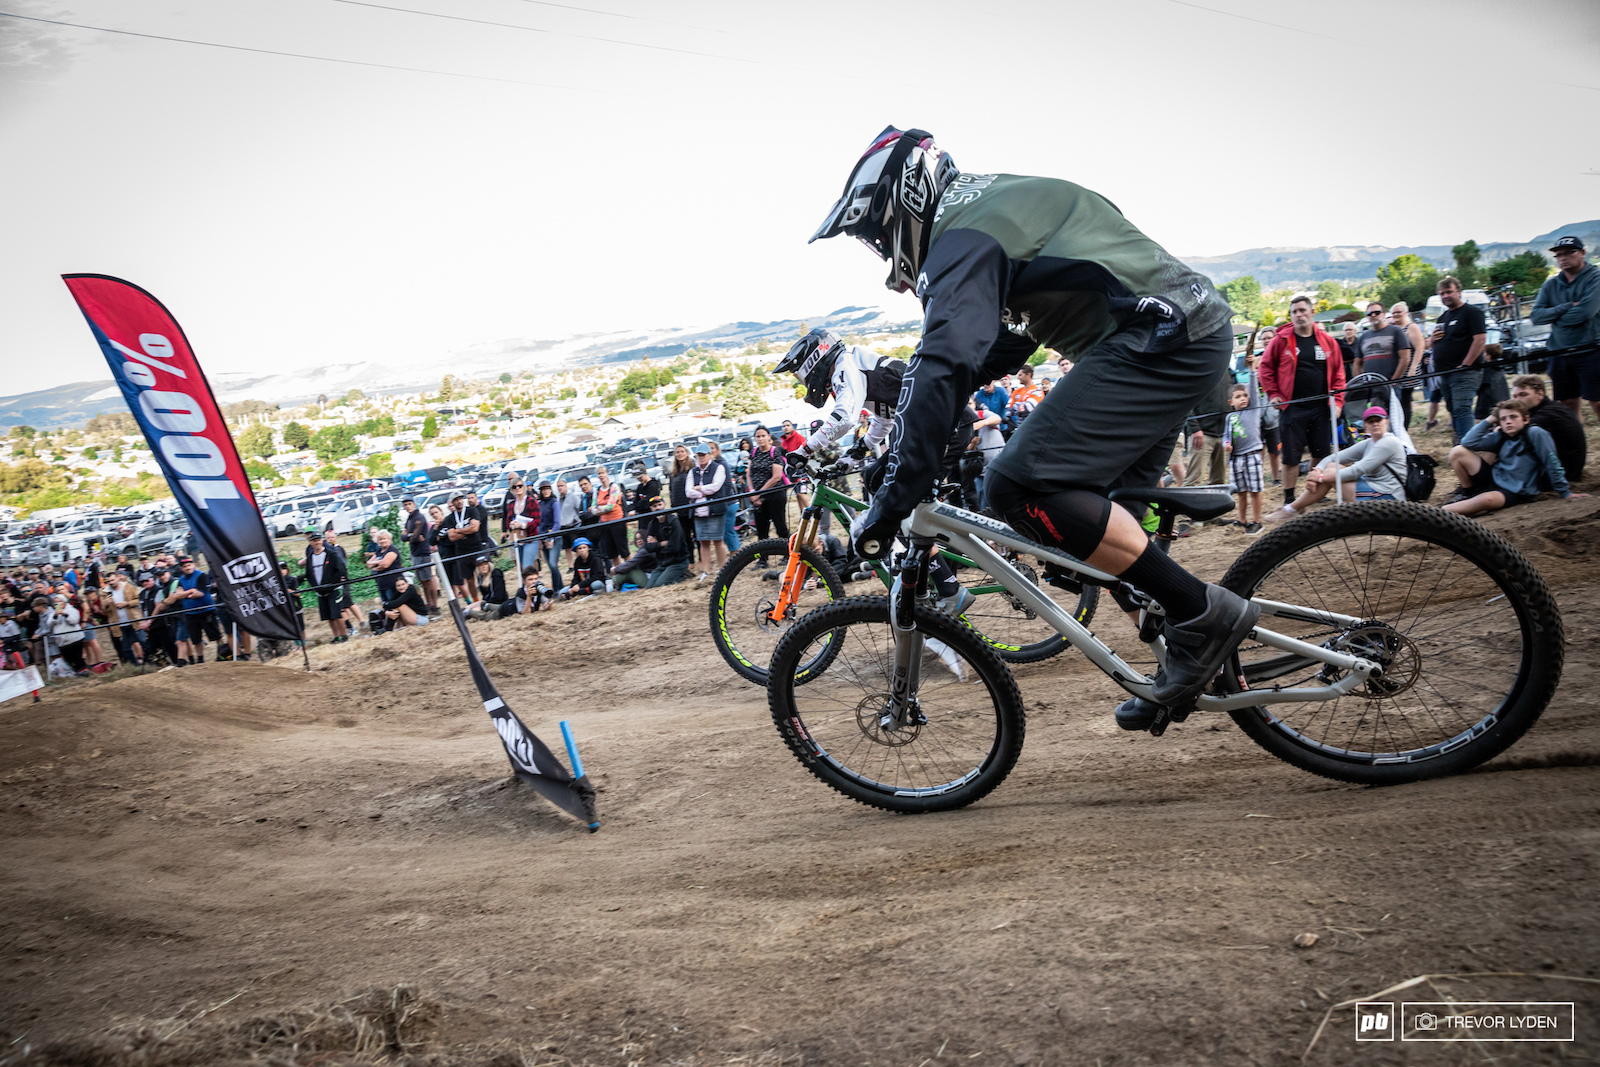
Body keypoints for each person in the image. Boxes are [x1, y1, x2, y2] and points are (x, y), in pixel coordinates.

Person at [809, 125, 1249, 732]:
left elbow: (945, 363)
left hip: (1160, 340)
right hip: (1177, 334)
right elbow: (998, 347)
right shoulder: (989, 207)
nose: (882, 250)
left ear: (904, 200)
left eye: (876, 235)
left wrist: (894, 496)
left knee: (1015, 485)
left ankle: (1204, 616)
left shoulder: (960, 236)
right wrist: (919, 432)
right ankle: (1186, 653)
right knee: (1094, 536)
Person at [1261, 295, 1347, 505]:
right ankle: (1289, 500)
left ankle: (1313, 493)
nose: (1298, 315)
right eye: (1294, 312)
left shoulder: (1327, 341)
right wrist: (1273, 393)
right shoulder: (1281, 341)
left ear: (1312, 312)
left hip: (1321, 407)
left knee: (1321, 453)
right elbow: (1265, 368)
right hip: (1292, 407)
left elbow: (1339, 374)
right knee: (1291, 457)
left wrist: (1337, 402)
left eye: (1302, 310)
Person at [1444, 400, 1588, 516]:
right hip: (1494, 479)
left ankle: (1441, 513)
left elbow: (1551, 462)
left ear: (1526, 419)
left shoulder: (1535, 433)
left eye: (1513, 417)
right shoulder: (1500, 436)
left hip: (1517, 491)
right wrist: (1489, 420)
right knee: (1457, 451)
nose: (1508, 422)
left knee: (1487, 500)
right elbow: (1468, 442)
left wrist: (1565, 492)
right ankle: (1468, 493)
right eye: (1503, 419)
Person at [1265, 406, 1408, 522]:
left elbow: (1357, 470)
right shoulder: (1370, 442)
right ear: (1365, 426)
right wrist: (1317, 471)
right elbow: (1334, 457)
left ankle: (1291, 509)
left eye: (1379, 420)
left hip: (1389, 497)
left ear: (1386, 422)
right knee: (1331, 467)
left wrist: (1320, 478)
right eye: (1371, 421)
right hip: (1375, 489)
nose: (1375, 424)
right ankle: (1294, 508)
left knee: (1330, 473)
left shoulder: (1388, 442)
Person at [1530, 235, 1600, 421]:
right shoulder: (1551, 284)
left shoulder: (1595, 278)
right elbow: (1536, 316)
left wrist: (1555, 317)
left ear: (1582, 253)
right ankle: (1576, 439)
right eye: (1559, 255)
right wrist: (1566, 307)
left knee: (1598, 402)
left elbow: (1585, 312)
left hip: (1592, 349)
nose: (1563, 258)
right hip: (1560, 352)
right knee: (1567, 405)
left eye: (1569, 253)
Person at [1429, 276, 1489, 443]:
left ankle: (1468, 445)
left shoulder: (1472, 312)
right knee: (1453, 409)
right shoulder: (1443, 317)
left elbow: (1480, 339)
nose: (1445, 296)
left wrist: (1465, 364)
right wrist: (1432, 340)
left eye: (1449, 292)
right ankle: (1460, 443)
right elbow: (1437, 343)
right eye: (1442, 293)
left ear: (1459, 292)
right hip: (1445, 372)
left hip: (1465, 372)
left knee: (1462, 408)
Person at [1510, 375, 1586, 482]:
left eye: (1523, 394)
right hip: (1565, 470)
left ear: (1540, 394)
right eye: (1515, 396)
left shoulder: (1547, 415)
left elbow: (1512, 431)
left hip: (1560, 474)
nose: (1517, 400)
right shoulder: (1552, 408)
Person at [1351, 298, 1415, 425]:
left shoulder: (1395, 331)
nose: (1373, 315)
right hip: (1371, 388)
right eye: (1370, 313)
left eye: (1377, 312)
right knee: (1376, 421)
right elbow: (1357, 362)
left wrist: (1394, 380)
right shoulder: (1363, 336)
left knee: (1394, 421)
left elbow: (1405, 358)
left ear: (1384, 314)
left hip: (1392, 386)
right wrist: (1361, 383)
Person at [687, 441, 732, 579]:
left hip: (715, 509)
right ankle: (706, 571)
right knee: (703, 541)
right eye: (699, 455)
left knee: (718, 540)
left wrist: (699, 488)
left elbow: (716, 487)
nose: (701, 458)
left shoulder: (718, 468)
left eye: (703, 455)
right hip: (698, 511)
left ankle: (723, 569)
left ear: (709, 455)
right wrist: (705, 491)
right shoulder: (692, 471)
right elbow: (688, 491)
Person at [1223, 382, 1264, 532]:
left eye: (1245, 395)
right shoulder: (1230, 417)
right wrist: (1226, 444)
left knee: (1255, 491)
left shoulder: (1253, 410)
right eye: (1238, 396)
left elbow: (1254, 389)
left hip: (1252, 456)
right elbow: (1226, 435)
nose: (1243, 398)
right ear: (1230, 402)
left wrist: (1252, 371)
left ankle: (1257, 521)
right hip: (1236, 459)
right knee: (1241, 492)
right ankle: (1242, 520)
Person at [743, 427, 790, 543]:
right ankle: (764, 554)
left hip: (775, 495)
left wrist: (758, 493)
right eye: (758, 436)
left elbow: (776, 477)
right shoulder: (754, 452)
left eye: (763, 436)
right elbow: (749, 474)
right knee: (761, 531)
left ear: (769, 436)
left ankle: (787, 551)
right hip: (757, 497)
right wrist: (752, 492)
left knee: (781, 528)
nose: (760, 439)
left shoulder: (775, 452)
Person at [303, 531, 350, 643]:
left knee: (337, 613)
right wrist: (315, 586)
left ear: (322, 541)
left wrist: (334, 583)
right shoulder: (310, 558)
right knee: (328, 616)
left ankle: (344, 635)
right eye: (314, 541)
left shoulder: (331, 554)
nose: (317, 542)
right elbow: (308, 574)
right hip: (320, 591)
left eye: (319, 540)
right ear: (311, 543)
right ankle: (336, 636)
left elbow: (340, 569)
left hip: (334, 589)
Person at [172, 556, 220, 664]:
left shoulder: (201, 575)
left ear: (193, 565)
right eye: (185, 566)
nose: (187, 568)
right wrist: (191, 591)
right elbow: (177, 595)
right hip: (190, 613)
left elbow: (199, 593)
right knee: (196, 639)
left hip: (206, 610)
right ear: (181, 568)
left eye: (189, 565)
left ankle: (223, 653)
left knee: (216, 635)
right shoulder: (181, 579)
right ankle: (200, 659)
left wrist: (184, 594)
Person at [436, 493, 481, 600]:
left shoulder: (471, 511)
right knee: (469, 579)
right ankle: (476, 601)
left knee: (483, 574)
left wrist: (458, 530)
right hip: (461, 550)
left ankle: (488, 597)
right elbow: (452, 537)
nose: (459, 501)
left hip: (476, 547)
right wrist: (468, 530)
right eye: (456, 500)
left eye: (460, 498)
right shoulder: (449, 518)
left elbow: (475, 528)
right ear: (452, 502)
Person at [641, 494, 691, 587]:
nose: (657, 508)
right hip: (662, 563)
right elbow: (648, 547)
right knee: (649, 587)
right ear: (651, 508)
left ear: (664, 504)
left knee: (660, 585)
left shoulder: (674, 521)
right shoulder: (652, 524)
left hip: (678, 562)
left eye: (659, 505)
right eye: (654, 506)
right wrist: (662, 544)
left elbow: (675, 547)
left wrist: (656, 545)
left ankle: (684, 575)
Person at [401, 498, 439, 609]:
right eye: (405, 505)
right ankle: (428, 603)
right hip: (415, 553)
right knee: (422, 581)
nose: (408, 506)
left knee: (428, 580)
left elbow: (415, 537)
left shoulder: (419, 517)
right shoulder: (409, 518)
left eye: (409, 504)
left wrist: (410, 536)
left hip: (423, 552)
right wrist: (410, 536)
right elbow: (403, 537)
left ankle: (435, 605)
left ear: (414, 504)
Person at [706, 444, 742, 556]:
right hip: (723, 502)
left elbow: (727, 485)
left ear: (717, 450)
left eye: (712, 448)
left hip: (728, 503)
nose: (710, 451)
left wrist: (721, 500)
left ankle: (735, 554)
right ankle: (734, 552)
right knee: (726, 531)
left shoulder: (721, 463)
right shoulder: (712, 465)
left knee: (728, 530)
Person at [501, 477, 541, 573]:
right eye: (514, 487)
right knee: (522, 568)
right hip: (517, 539)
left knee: (527, 566)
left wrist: (523, 525)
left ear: (524, 487)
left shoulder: (531, 501)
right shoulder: (511, 504)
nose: (517, 488)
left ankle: (533, 581)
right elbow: (507, 521)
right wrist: (511, 524)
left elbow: (537, 520)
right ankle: (528, 582)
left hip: (531, 538)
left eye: (520, 486)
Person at [534, 481, 565, 596]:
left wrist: (549, 537)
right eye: (543, 489)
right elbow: (538, 523)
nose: (546, 491)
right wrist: (539, 539)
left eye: (547, 489)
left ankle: (558, 588)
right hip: (543, 537)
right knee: (551, 566)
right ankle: (558, 588)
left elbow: (557, 523)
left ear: (551, 490)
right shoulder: (540, 504)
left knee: (553, 564)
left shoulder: (554, 503)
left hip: (554, 537)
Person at [591, 467, 627, 569]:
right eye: (599, 473)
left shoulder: (614, 487)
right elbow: (593, 508)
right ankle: (620, 571)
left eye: (603, 473)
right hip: (605, 524)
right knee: (612, 553)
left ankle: (631, 569)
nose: (601, 475)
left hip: (617, 521)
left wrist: (600, 509)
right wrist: (600, 510)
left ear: (607, 474)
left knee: (623, 550)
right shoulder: (597, 490)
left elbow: (610, 506)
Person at [365, 529, 404, 601]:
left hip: (393, 583)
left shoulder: (392, 549)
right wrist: (378, 563)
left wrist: (375, 565)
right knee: (385, 604)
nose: (382, 541)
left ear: (389, 539)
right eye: (380, 539)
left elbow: (385, 565)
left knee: (393, 603)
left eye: (384, 538)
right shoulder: (379, 551)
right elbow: (368, 564)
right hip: (382, 584)